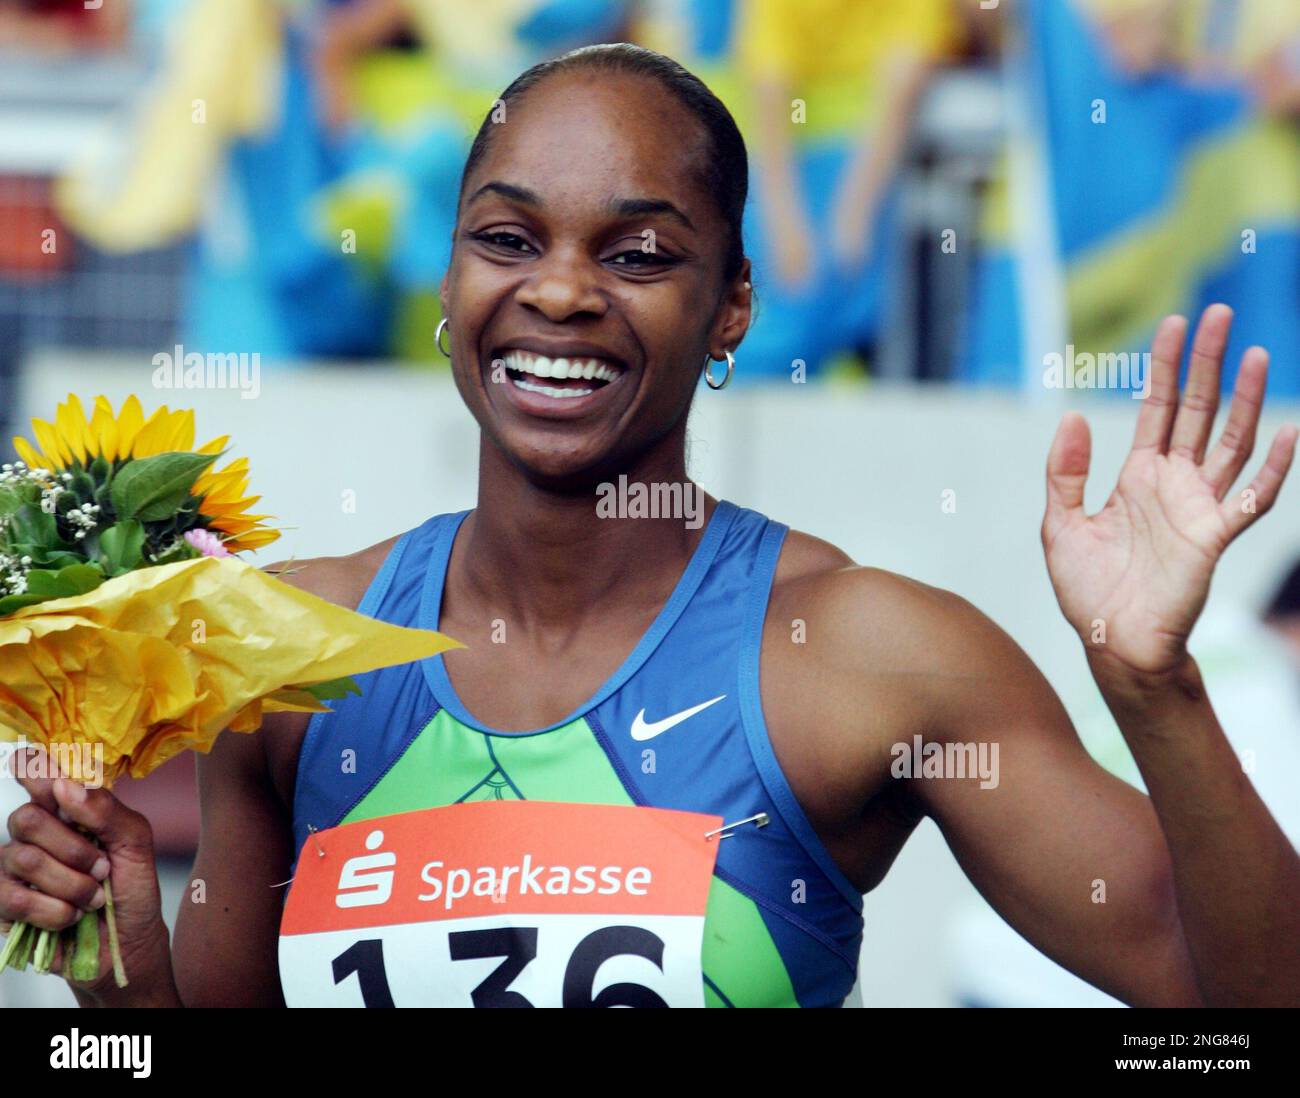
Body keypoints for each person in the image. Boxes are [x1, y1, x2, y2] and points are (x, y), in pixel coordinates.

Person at [2, 43, 1298, 1008]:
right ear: (451, 282)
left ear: (732, 306)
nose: (559, 290)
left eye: (637, 254)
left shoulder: (872, 658)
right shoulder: (291, 658)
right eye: (507, 238)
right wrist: (108, 984)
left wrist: (1154, 683)